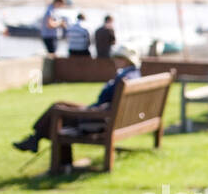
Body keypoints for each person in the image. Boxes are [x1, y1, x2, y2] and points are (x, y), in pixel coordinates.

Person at [12, 45, 141, 154]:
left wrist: (92, 110)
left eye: (118, 57)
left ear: (127, 60)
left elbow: (106, 99)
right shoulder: (133, 75)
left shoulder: (124, 78)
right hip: (109, 115)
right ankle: (35, 139)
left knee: (58, 111)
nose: (115, 60)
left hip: (102, 118)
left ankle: (36, 140)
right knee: (59, 105)